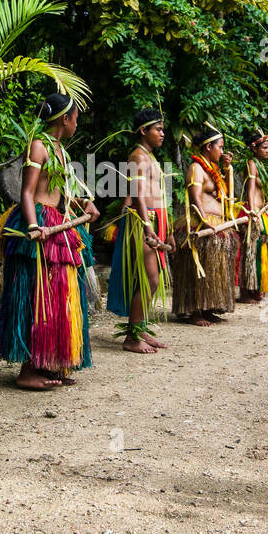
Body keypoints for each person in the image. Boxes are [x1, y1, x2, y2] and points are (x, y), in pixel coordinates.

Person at [0, 93, 101, 390]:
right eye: (76, 117)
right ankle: (28, 370)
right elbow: (27, 193)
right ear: (65, 119)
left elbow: (60, 196)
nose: (77, 123)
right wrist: (32, 226)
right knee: (37, 293)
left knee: (59, 294)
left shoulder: (60, 151)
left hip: (59, 223)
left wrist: (83, 206)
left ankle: (51, 362)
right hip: (40, 223)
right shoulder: (38, 146)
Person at [107, 108, 173, 353]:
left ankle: (140, 328)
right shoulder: (138, 156)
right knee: (149, 279)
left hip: (154, 220)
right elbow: (137, 194)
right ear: (144, 131)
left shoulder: (149, 157)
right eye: (158, 129)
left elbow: (157, 193)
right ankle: (132, 337)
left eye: (163, 129)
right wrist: (147, 225)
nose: (162, 134)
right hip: (142, 221)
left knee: (150, 279)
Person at [172, 125, 239, 326]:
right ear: (209, 147)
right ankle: (195, 311)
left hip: (216, 224)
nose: (222, 151)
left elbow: (225, 194)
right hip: (200, 224)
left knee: (213, 268)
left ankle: (209, 307)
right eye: (220, 147)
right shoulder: (196, 168)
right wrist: (204, 220)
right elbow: (194, 198)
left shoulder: (215, 170)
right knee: (198, 268)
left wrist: (227, 169)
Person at [237, 127, 268, 303]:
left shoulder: (259, 165)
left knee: (260, 251)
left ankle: (256, 288)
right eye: (264, 148)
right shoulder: (251, 164)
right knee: (250, 252)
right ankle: (246, 292)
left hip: (261, 211)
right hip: (253, 212)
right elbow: (250, 190)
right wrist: (253, 212)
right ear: (254, 148)